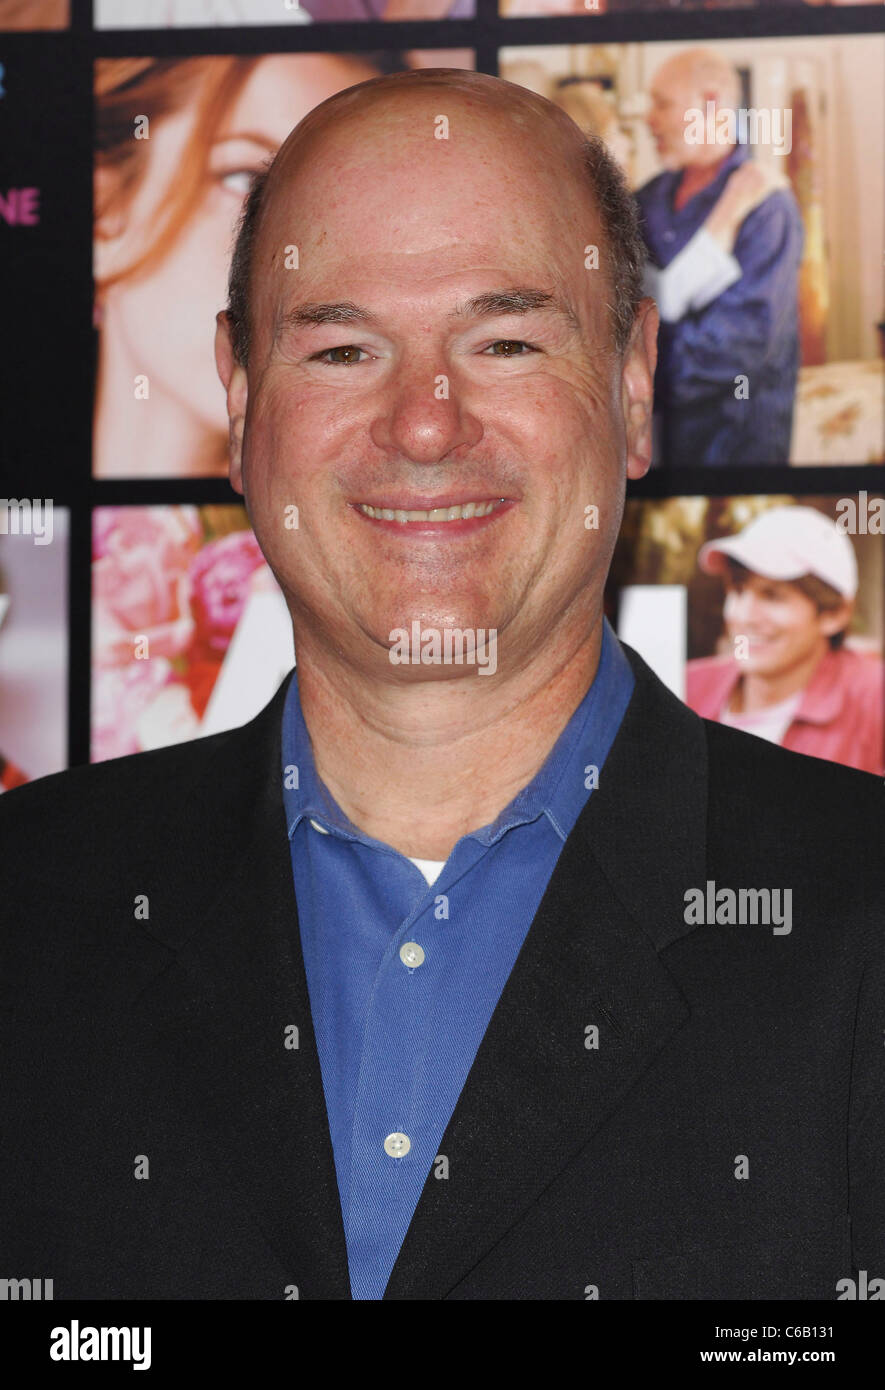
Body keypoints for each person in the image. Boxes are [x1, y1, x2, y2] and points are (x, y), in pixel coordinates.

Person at [1, 68, 882, 1302]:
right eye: (345, 345)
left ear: (633, 385)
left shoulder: (860, 918)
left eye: (506, 339)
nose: (425, 423)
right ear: (244, 396)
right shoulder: (29, 907)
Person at [636, 49, 804, 467]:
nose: (648, 119)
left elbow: (737, 349)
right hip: (654, 452)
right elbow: (622, 309)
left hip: (736, 447)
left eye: (662, 103)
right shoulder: (647, 200)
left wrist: (635, 370)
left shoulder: (768, 207)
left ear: (710, 104)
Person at [686, 505, 884, 775]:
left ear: (834, 614)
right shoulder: (683, 687)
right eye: (739, 589)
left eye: (772, 596)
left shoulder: (875, 701)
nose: (744, 616)